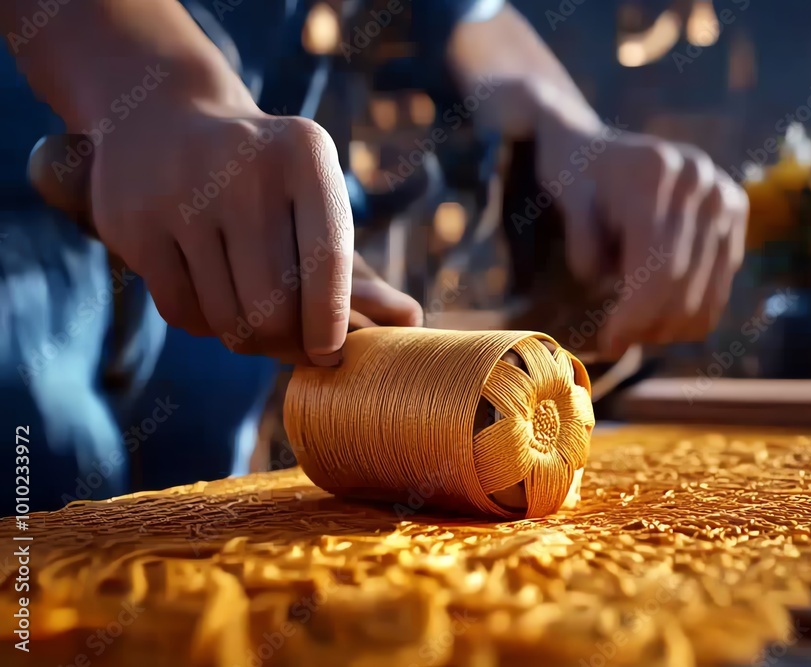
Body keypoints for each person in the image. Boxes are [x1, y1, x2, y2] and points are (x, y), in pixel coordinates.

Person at [3, 0, 747, 510]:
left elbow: (468, 19)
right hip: (25, 252)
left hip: (241, 264)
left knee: (198, 555)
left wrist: (570, 130)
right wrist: (143, 70)